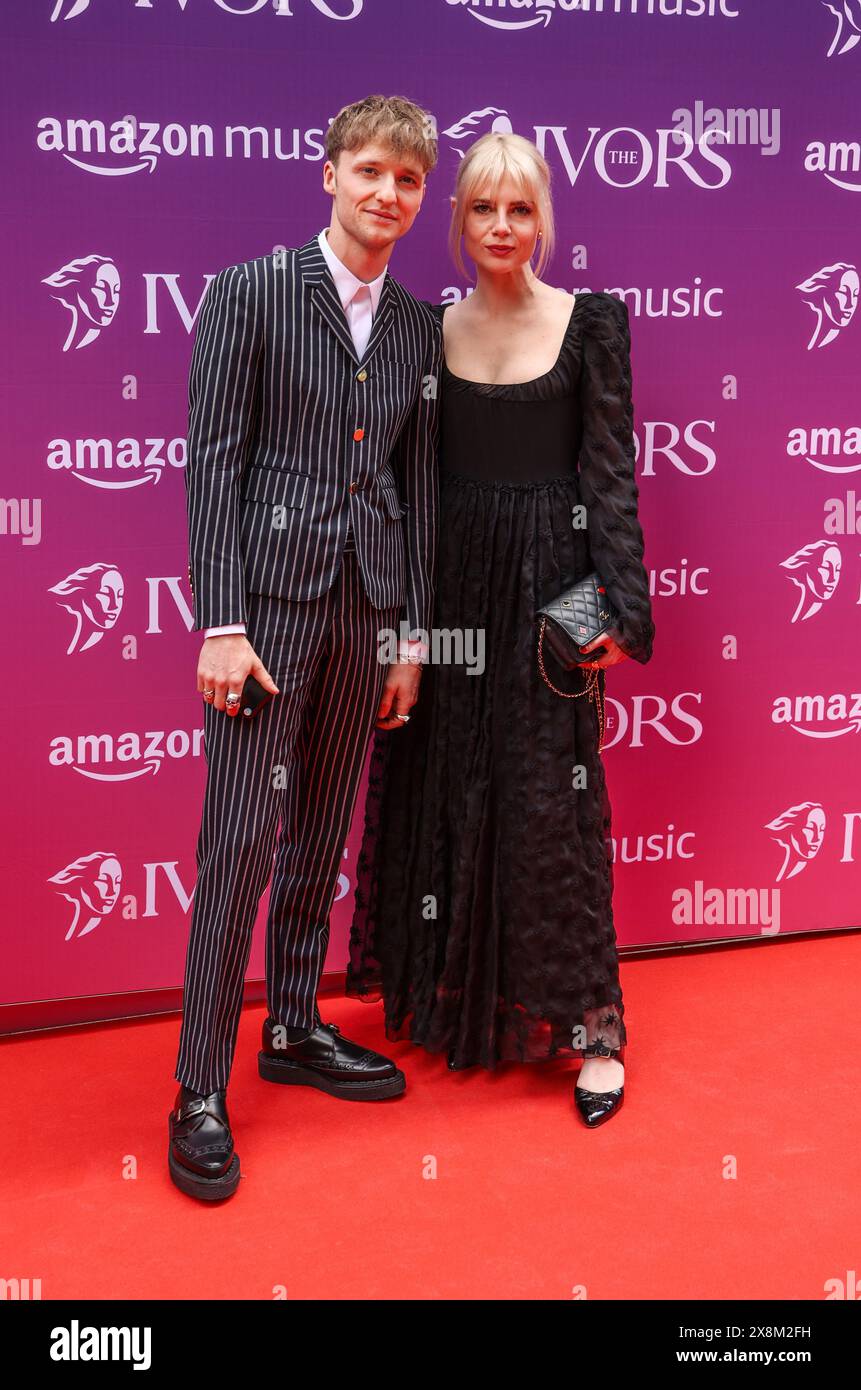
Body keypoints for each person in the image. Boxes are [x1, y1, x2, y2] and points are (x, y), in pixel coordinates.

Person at [347, 131, 655, 1128]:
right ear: (459, 220)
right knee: (444, 789)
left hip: (549, 590)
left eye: (519, 209)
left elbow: (608, 476)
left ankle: (593, 1033)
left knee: (552, 809)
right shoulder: (424, 331)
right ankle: (456, 1000)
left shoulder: (589, 322)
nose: (501, 226)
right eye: (483, 208)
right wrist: (404, 629)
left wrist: (615, 608)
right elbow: (404, 487)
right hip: (449, 591)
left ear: (543, 220)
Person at [170, 95, 442, 1200]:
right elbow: (212, 463)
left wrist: (412, 635)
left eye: (408, 180)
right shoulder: (250, 291)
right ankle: (198, 1086)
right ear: (329, 174)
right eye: (370, 171)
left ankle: (291, 1025)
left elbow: (419, 490)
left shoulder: (420, 325)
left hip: (366, 613)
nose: (387, 193)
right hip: (265, 621)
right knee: (238, 843)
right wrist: (222, 623)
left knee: (320, 830)